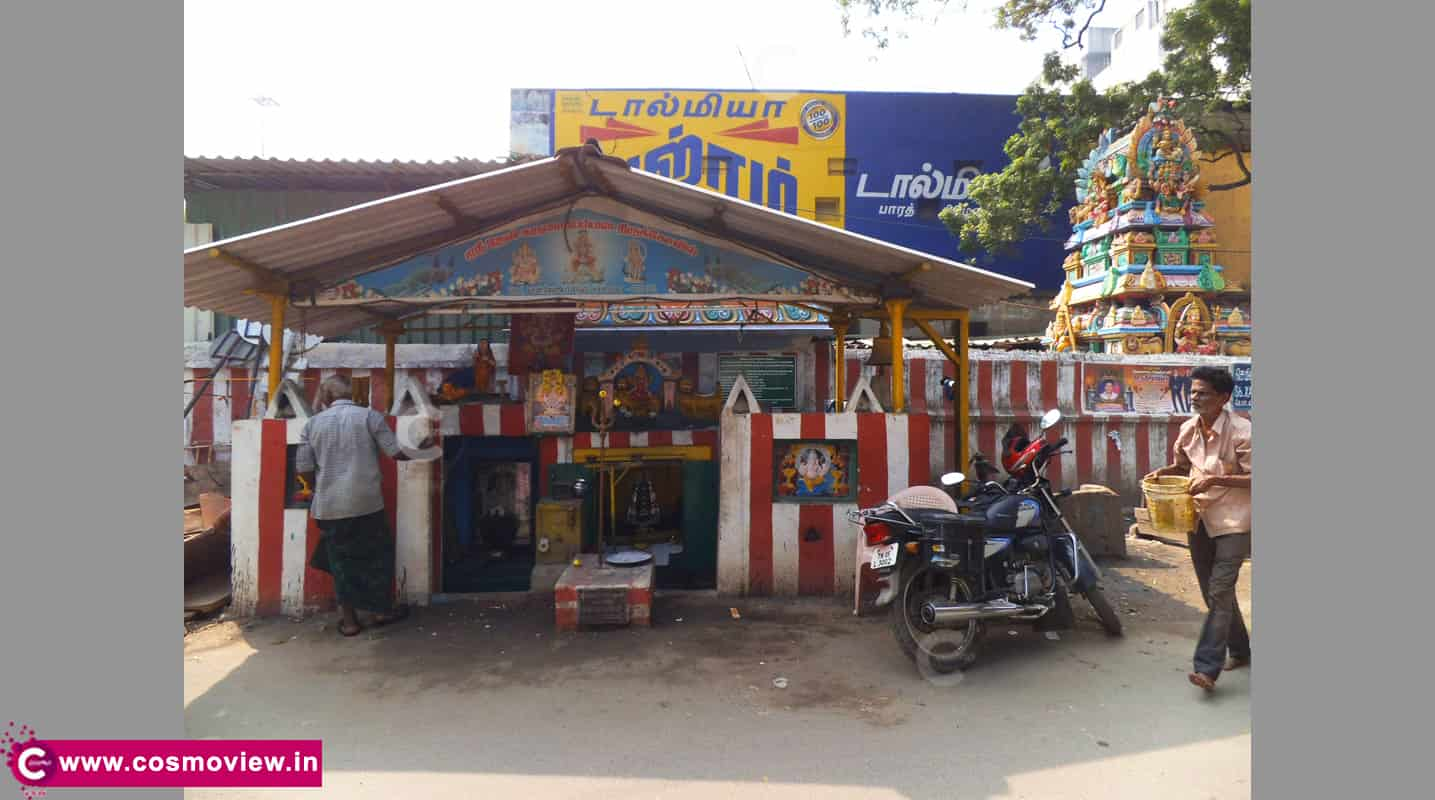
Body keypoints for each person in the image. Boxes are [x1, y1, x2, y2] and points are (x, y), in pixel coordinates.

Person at [1145, 366, 1252, 692]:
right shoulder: (1189, 429)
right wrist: (1161, 473)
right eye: (1193, 392)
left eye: (1203, 393)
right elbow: (1182, 466)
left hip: (1235, 520)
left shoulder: (1242, 431)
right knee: (1214, 592)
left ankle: (1207, 668)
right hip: (1198, 517)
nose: (1195, 398)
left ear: (1223, 397)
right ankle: (1242, 650)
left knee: (1219, 590)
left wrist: (1217, 479)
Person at [297, 375, 418, 637]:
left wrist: (314, 485)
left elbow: (304, 468)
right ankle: (380, 611)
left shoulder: (311, 425)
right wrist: (422, 449)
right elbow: (395, 452)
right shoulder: (369, 417)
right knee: (376, 557)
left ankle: (350, 622)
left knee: (340, 562)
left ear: (326, 398)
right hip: (366, 503)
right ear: (352, 395)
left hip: (330, 506)